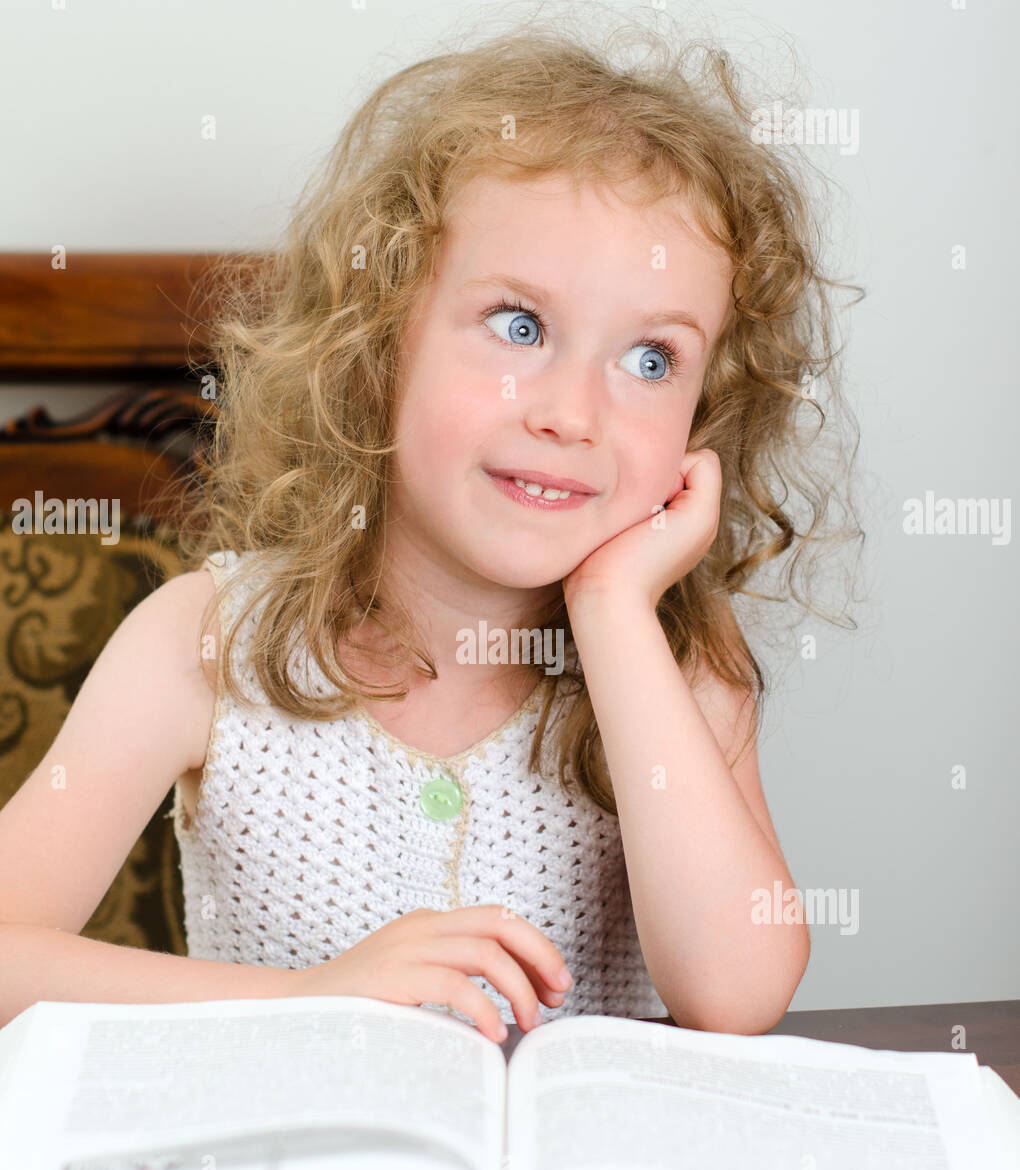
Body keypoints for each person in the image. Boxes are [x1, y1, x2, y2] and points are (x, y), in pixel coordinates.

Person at [0, 15, 864, 1042]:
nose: (573, 415)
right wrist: (311, 997)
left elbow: (738, 991)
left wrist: (614, 616)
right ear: (378, 342)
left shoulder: (680, 664)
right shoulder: (208, 641)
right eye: (520, 325)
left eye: (649, 361)